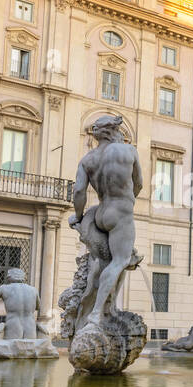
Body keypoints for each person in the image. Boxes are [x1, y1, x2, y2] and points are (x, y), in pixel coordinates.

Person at [69, 114, 142, 329]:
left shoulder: (88, 159)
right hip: (120, 211)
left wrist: (79, 216)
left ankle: (107, 309)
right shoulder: (129, 151)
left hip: (99, 213)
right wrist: (128, 201)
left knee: (105, 263)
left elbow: (79, 191)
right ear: (115, 130)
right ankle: (96, 314)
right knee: (120, 260)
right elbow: (139, 184)